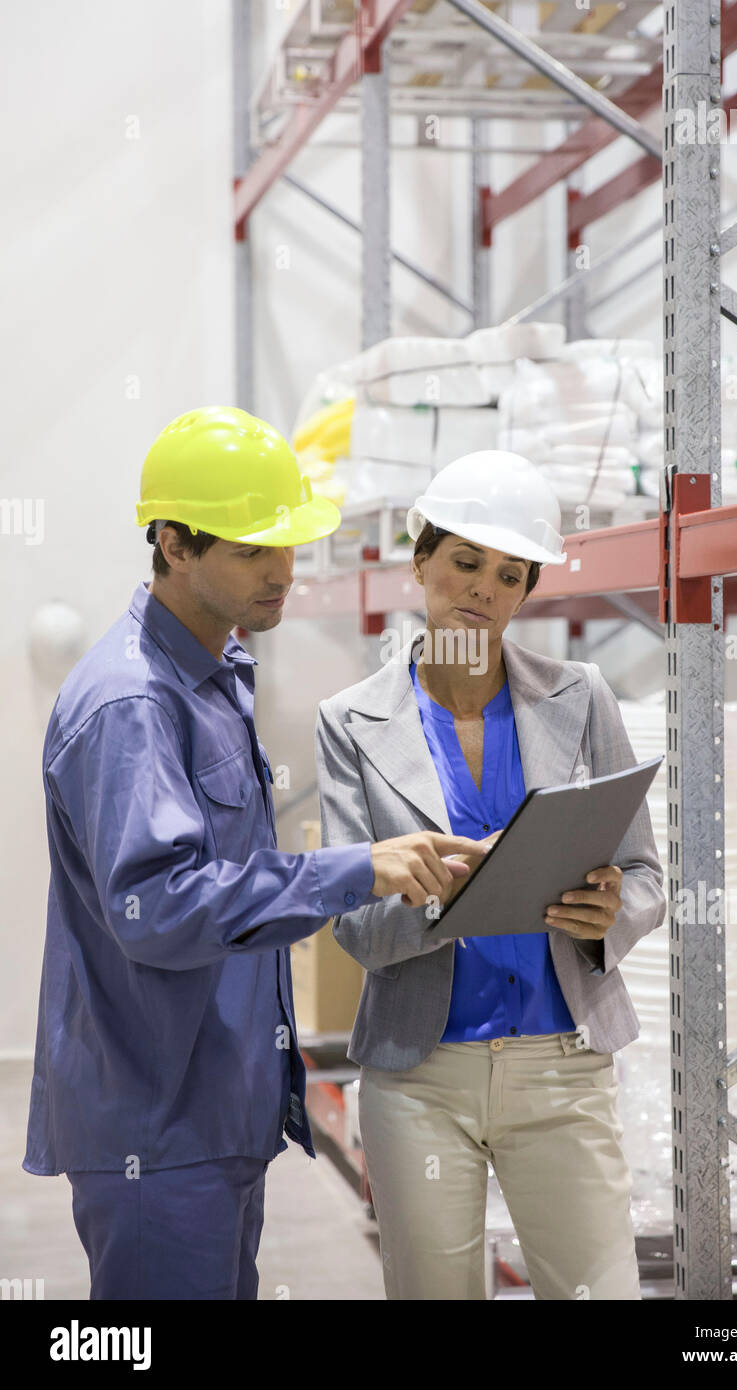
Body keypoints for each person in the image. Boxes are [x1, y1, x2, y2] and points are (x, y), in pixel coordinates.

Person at [22, 406, 485, 1300]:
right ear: (173, 544)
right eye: (251, 549)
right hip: (153, 1133)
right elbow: (157, 910)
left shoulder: (215, 670)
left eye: (290, 546)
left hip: (215, 1108)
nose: (283, 573)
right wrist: (358, 869)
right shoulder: (133, 703)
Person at [314, 449, 666, 1300]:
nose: (481, 588)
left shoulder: (581, 698)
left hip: (562, 1068)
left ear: (525, 590)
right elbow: (352, 923)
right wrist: (440, 899)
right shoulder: (350, 722)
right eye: (465, 561)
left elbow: (646, 876)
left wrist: (609, 911)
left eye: (508, 574)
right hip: (419, 1077)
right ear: (421, 561)